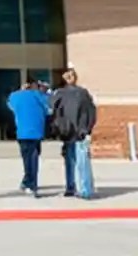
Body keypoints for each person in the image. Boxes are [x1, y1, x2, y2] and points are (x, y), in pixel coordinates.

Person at [50, 68, 98, 198]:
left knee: (72, 161)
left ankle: (75, 188)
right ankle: (82, 189)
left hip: (70, 132)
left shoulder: (61, 94)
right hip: (77, 132)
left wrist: (58, 128)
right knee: (80, 161)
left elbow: (53, 113)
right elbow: (92, 112)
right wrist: (87, 128)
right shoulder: (82, 93)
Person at [7, 78, 50, 198]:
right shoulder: (39, 96)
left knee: (27, 158)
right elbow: (49, 109)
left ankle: (27, 181)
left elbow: (10, 105)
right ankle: (32, 185)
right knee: (33, 159)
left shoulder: (15, 96)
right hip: (36, 132)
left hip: (22, 132)